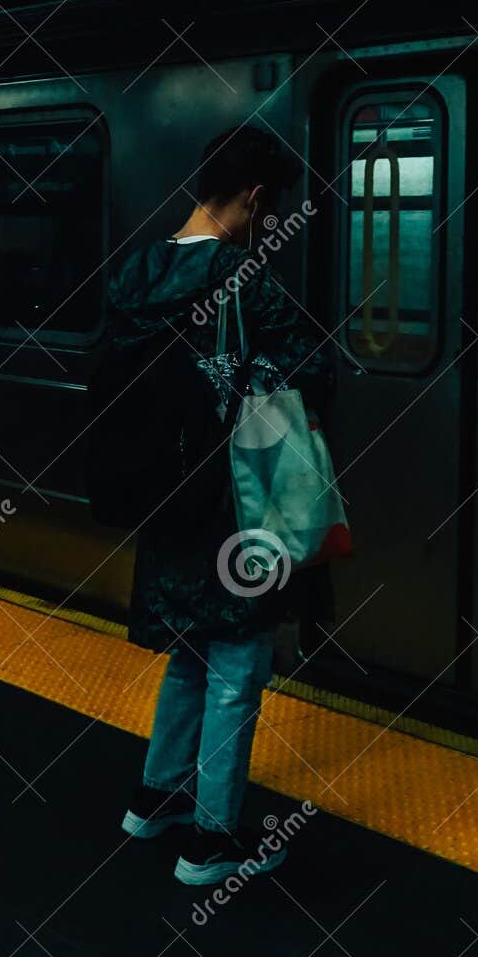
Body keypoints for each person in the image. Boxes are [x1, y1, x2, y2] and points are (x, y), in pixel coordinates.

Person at [105, 125, 334, 886]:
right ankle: (211, 844)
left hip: (160, 499)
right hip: (234, 506)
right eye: (273, 208)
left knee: (189, 651)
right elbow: (309, 366)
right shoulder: (244, 275)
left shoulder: (135, 271)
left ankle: (154, 798)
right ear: (257, 197)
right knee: (238, 660)